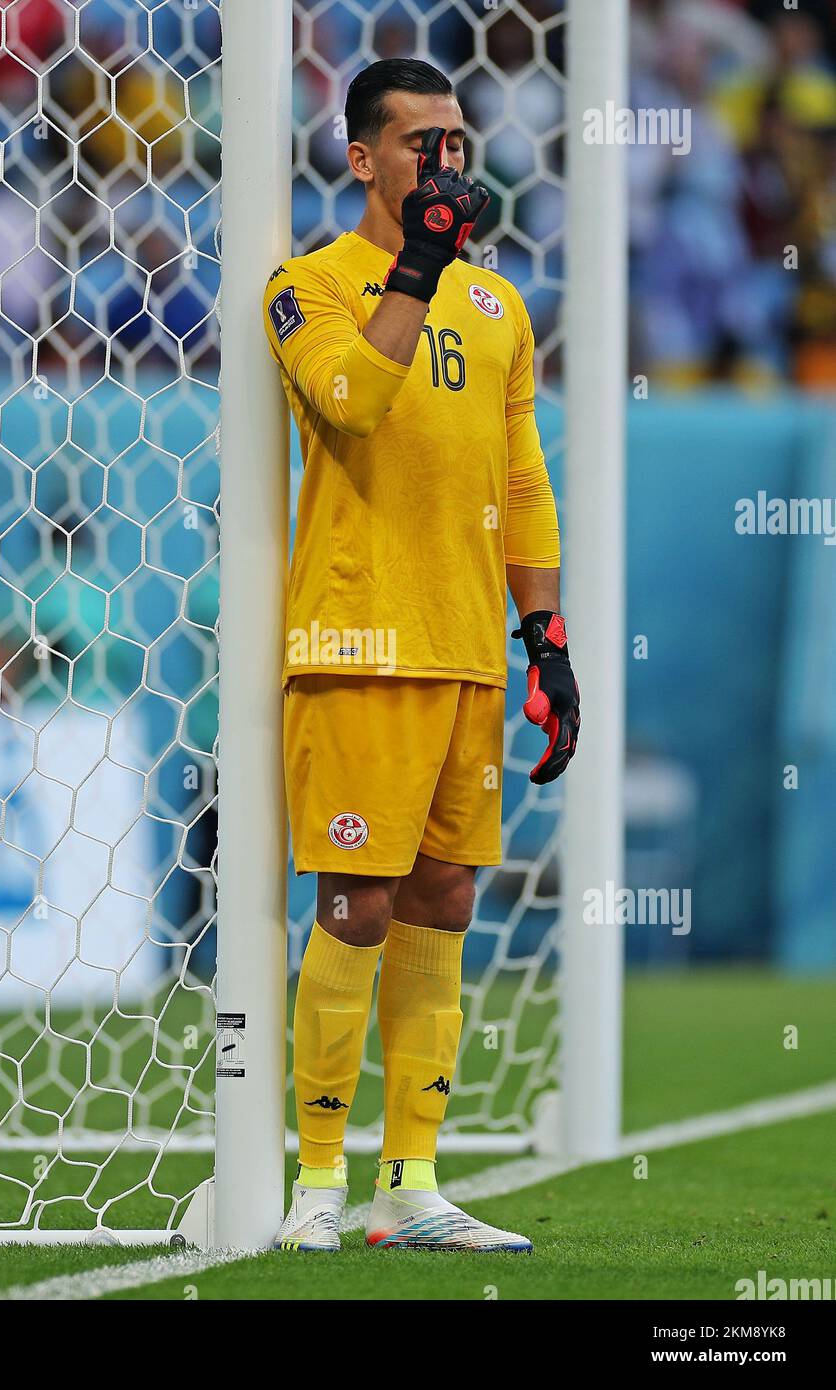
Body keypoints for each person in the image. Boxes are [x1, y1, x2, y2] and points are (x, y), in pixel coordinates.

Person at [262, 58, 579, 1253]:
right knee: (358, 899)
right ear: (361, 158)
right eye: (418, 146)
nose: (444, 164)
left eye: (455, 145)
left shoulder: (498, 307)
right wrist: (416, 268)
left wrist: (545, 640)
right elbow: (349, 399)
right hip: (358, 639)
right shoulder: (307, 286)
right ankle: (316, 1185)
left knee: (445, 896)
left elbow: (522, 483)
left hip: (466, 651)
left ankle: (411, 1181)